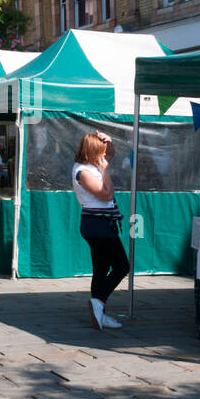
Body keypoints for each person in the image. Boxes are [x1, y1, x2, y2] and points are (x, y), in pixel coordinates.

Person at [73, 132, 127, 330]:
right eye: (101, 151)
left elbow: (112, 153)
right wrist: (105, 173)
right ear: (92, 151)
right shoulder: (84, 171)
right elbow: (106, 195)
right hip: (97, 226)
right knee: (122, 266)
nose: (105, 155)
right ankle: (99, 302)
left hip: (101, 225)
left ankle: (100, 314)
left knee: (101, 270)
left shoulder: (93, 164)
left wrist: (109, 140)